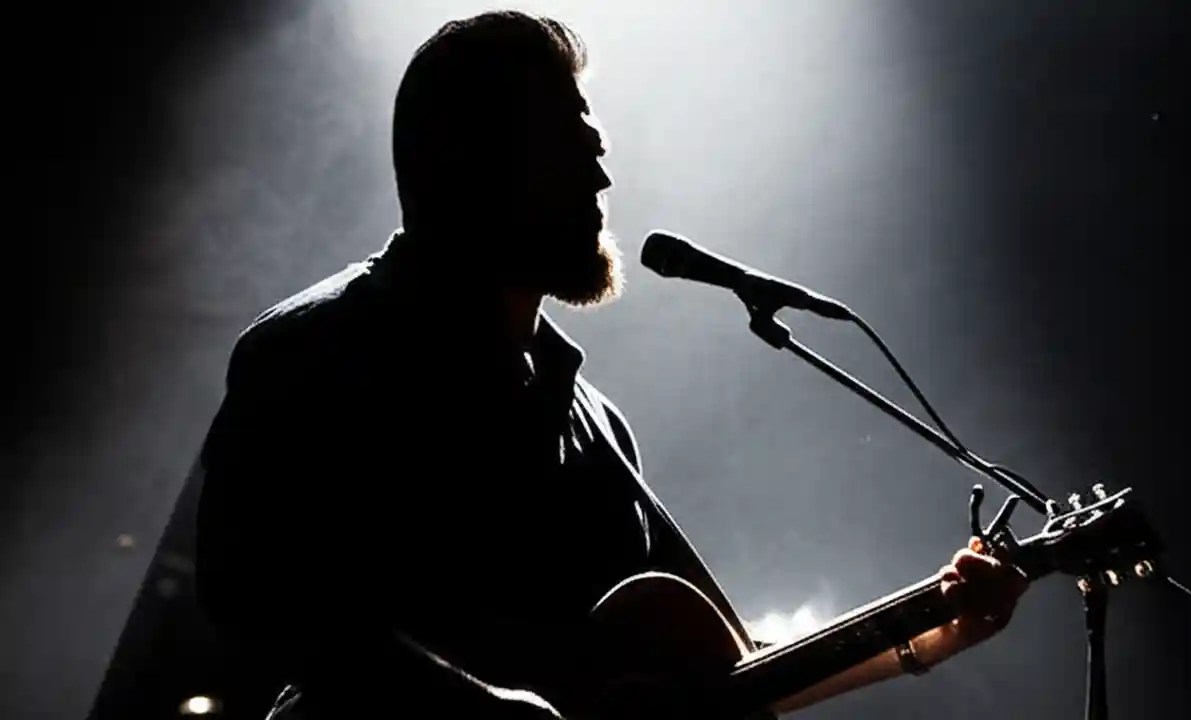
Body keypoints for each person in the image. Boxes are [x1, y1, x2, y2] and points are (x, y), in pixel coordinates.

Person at [192, 10, 1028, 719]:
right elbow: (253, 599)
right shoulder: (317, 347)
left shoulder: (590, 420)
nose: (602, 175)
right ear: (471, 164)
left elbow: (729, 673)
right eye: (571, 146)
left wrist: (935, 630)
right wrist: (484, 710)